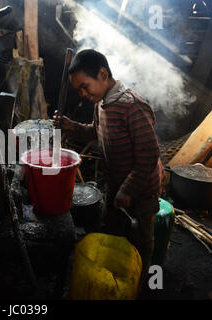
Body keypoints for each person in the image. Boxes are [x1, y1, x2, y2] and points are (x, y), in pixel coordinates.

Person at [53, 49, 164, 289]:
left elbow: (149, 154)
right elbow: (95, 131)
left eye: (85, 86)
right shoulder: (102, 102)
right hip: (117, 182)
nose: (83, 95)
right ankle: (110, 279)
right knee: (111, 226)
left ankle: (139, 283)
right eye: (79, 90)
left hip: (142, 188)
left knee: (141, 236)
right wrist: (71, 126)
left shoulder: (132, 106)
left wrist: (128, 189)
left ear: (103, 74)